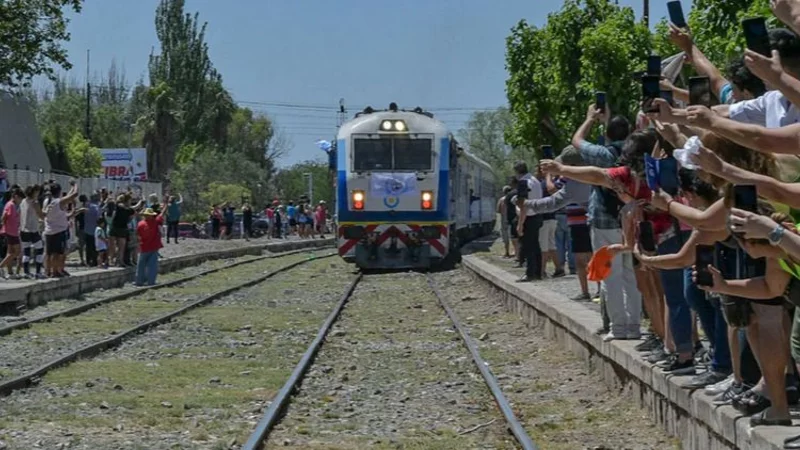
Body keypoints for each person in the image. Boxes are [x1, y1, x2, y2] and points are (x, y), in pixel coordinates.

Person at [514, 160, 544, 282]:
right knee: (536, 246)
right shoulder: (535, 180)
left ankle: (529, 273)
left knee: (528, 246)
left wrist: (520, 224)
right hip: (538, 215)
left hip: (529, 217)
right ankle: (538, 273)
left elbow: (523, 205)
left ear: (516, 171)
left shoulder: (523, 182)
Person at [43, 182, 80, 278]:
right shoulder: (57, 202)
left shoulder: (48, 201)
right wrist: (75, 185)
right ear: (59, 192)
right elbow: (74, 195)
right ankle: (55, 271)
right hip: (58, 231)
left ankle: (48, 271)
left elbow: (67, 197)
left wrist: (71, 188)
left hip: (49, 230)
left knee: (49, 252)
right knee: (56, 253)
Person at [19, 184, 44, 279]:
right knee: (40, 249)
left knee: (26, 251)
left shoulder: (23, 202)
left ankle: (26, 272)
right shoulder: (35, 202)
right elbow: (41, 215)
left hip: (23, 229)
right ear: (35, 192)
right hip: (33, 229)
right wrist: (46, 212)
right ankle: (38, 272)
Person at [135, 208, 163, 286]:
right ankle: (151, 281)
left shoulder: (140, 224)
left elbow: (137, 235)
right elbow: (161, 215)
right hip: (154, 247)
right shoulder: (156, 222)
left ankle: (139, 281)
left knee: (141, 265)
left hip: (143, 247)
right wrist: (165, 205)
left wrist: (138, 245)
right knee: (152, 265)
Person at [0, 188, 23, 279]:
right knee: (17, 251)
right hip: (11, 232)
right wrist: (3, 225)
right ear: (16, 197)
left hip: (12, 231)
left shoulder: (11, 205)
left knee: (10, 252)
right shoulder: (11, 205)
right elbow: (4, 216)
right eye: (20, 199)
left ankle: (9, 272)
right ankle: (1, 266)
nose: (20, 201)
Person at [497, 186, 512, 258]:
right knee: (513, 236)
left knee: (505, 236)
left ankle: (507, 252)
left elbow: (498, 210)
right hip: (512, 218)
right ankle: (516, 251)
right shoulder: (513, 198)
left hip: (504, 219)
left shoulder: (501, 199)